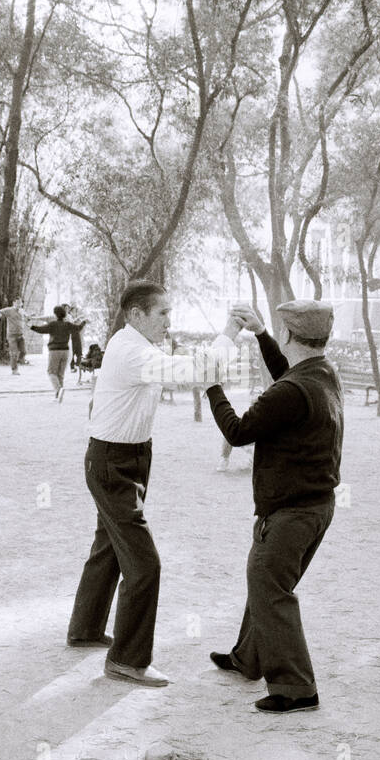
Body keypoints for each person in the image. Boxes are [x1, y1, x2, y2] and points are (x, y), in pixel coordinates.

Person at [66, 280, 229, 688]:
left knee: (108, 546)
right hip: (113, 463)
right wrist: (229, 332)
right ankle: (127, 660)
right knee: (145, 563)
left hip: (130, 457)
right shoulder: (131, 351)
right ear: (136, 315)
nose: (169, 322)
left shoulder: (137, 345)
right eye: (163, 314)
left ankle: (85, 629)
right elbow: (195, 372)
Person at [203, 300, 343, 714]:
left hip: (291, 512)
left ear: (289, 334)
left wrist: (212, 387)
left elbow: (238, 431)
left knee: (269, 586)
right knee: (263, 581)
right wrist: (262, 334)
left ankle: (297, 688)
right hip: (316, 506)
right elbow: (287, 375)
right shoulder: (322, 373)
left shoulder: (289, 391)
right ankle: (249, 658)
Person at [30, 305, 87, 401]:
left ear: (55, 314)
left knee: (51, 372)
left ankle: (58, 389)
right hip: (65, 351)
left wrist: (31, 326)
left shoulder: (53, 324)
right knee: (60, 374)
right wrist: (84, 322)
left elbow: (42, 330)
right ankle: (58, 396)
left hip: (54, 351)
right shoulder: (68, 324)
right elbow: (78, 328)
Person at [0, 298, 29, 374]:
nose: (19, 305)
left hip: (20, 334)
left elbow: (27, 318)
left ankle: (18, 360)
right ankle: (14, 370)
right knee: (14, 353)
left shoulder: (22, 311)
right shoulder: (9, 310)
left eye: (20, 303)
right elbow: (0, 311)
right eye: (17, 303)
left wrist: (28, 318)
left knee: (23, 351)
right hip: (12, 335)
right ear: (14, 303)